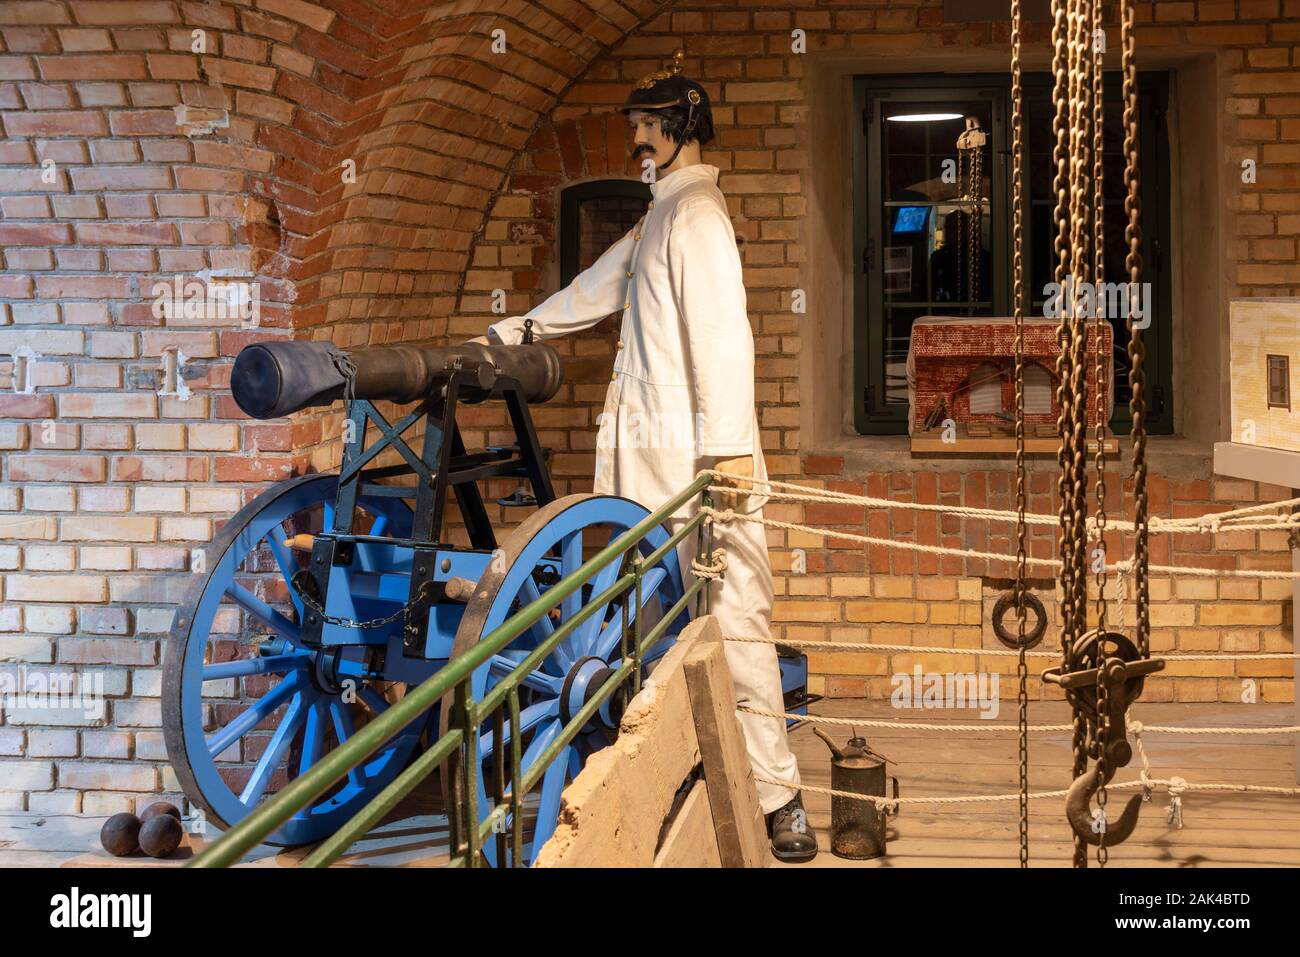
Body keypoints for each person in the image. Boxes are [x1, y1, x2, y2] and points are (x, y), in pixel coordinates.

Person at [470, 52, 814, 862]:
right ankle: (674, 778)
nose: (636, 143)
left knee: (736, 624)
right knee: (653, 625)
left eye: (646, 129)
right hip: (651, 465)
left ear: (679, 129)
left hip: (704, 470)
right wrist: (510, 336)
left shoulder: (700, 219)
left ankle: (779, 797)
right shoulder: (661, 215)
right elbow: (594, 287)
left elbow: (726, 345)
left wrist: (728, 459)